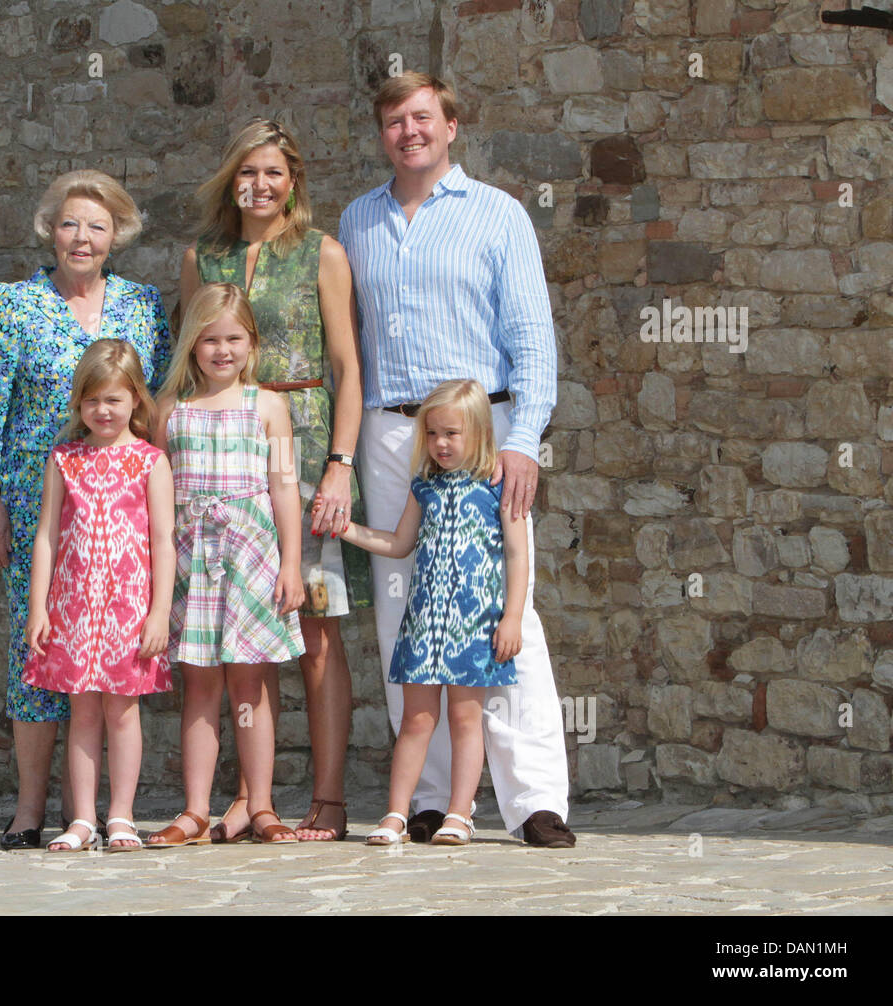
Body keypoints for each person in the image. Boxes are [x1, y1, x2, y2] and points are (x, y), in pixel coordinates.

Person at [338, 72, 575, 848]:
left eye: (421, 118)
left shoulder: (498, 215)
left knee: (507, 612)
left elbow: (534, 342)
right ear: (382, 134)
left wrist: (521, 441)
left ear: (450, 126)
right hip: (390, 432)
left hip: (480, 434)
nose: (408, 132)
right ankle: (435, 796)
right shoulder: (359, 220)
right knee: (406, 612)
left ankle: (534, 798)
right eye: (394, 122)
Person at [0, 170, 170, 850]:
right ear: (50, 230)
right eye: (70, 224)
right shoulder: (14, 303)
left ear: (117, 236)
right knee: (40, 650)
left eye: (97, 225)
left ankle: (105, 812)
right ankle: (31, 810)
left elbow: (160, 400)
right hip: (36, 505)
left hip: (126, 516)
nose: (82, 237)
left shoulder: (143, 306)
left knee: (110, 669)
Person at [180, 117, 366, 842]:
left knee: (315, 626)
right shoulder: (202, 255)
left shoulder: (322, 253)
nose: (259, 185)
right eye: (246, 172)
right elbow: (185, 359)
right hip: (223, 458)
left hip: (307, 452)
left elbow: (349, 367)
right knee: (234, 637)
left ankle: (326, 797)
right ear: (231, 178)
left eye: (273, 173)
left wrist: (341, 466)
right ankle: (248, 796)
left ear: (294, 182)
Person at [146, 282, 306, 847]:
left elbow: (285, 485)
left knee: (251, 684)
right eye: (209, 339)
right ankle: (194, 809)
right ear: (191, 344)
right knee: (199, 685)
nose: (222, 350)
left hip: (251, 558)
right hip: (193, 558)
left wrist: (292, 564)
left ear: (251, 343)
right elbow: (156, 495)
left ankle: (259, 804)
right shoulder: (170, 411)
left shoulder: (270, 407)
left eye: (234, 338)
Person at [334, 381, 526, 846]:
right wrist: (348, 529)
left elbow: (517, 556)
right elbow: (399, 545)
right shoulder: (424, 487)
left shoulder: (497, 487)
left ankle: (460, 813)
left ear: (479, 432)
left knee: (465, 720)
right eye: (434, 433)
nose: (441, 443)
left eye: (452, 434)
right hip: (424, 625)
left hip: (473, 626)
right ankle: (397, 813)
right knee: (416, 720)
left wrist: (512, 618)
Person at [22, 340, 175, 852]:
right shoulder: (64, 458)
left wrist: (158, 613)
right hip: (73, 607)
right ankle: (83, 819)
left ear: (136, 399)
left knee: (123, 711)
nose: (102, 411)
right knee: (82, 713)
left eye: (113, 399)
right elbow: (46, 535)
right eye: (92, 401)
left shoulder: (150, 461)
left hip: (128, 610)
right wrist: (37, 606)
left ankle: (123, 816)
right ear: (78, 404)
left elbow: (162, 542)